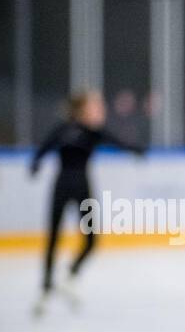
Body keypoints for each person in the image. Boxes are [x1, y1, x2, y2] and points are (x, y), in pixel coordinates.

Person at [30, 89, 146, 318]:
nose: (101, 110)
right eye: (96, 106)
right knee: (53, 239)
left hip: (83, 188)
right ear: (83, 109)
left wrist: (135, 150)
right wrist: (35, 163)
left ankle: (70, 275)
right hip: (62, 187)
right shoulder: (63, 129)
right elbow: (44, 147)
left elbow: (118, 143)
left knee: (92, 239)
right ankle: (45, 290)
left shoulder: (93, 132)